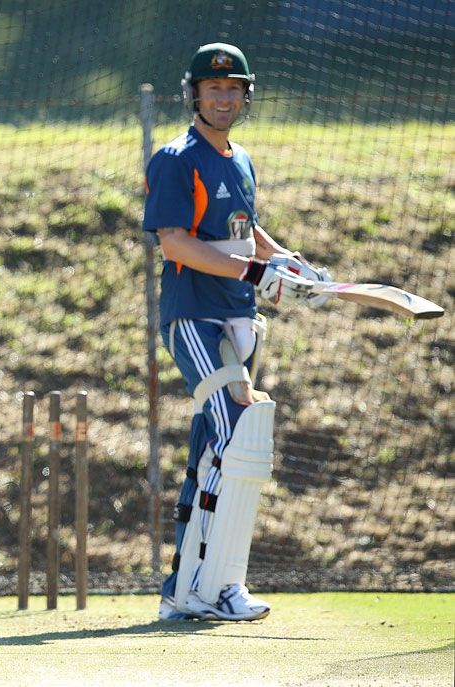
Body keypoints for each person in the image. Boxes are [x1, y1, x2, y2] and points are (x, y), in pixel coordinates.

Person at [143, 43, 330, 621]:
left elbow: (247, 229)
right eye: (212, 88)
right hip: (193, 315)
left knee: (219, 444)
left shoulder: (240, 158)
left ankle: (186, 589)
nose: (223, 98)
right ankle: (215, 585)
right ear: (194, 93)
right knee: (234, 434)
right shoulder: (175, 158)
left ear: (246, 96)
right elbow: (174, 242)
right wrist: (258, 269)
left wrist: (288, 261)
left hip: (237, 315)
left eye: (233, 89)